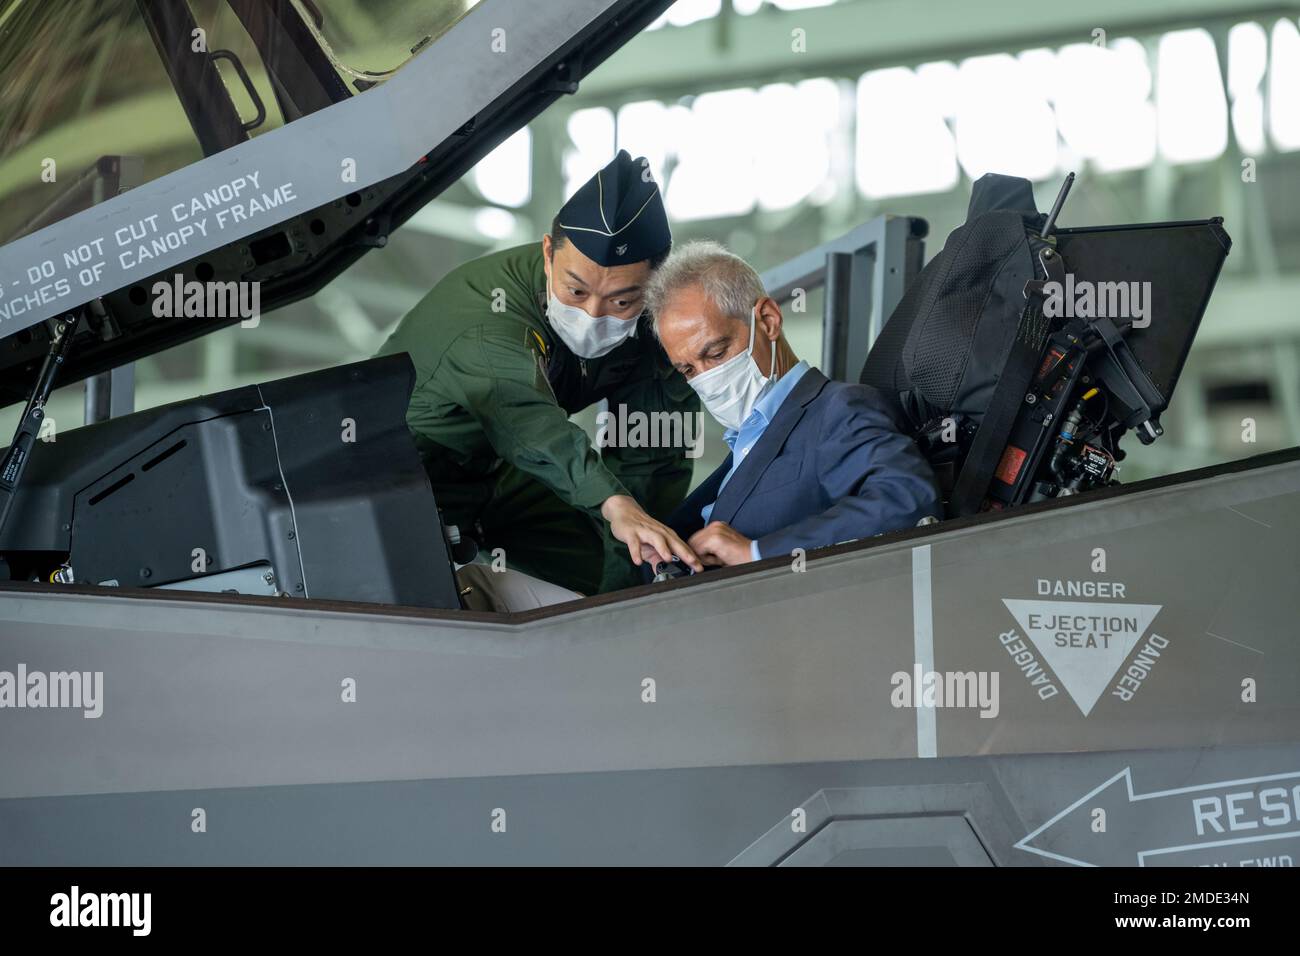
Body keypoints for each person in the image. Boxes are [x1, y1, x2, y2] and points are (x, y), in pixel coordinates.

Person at [377, 152, 703, 597]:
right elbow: (530, 425)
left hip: (508, 478)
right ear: (549, 252)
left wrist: (633, 585)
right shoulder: (487, 321)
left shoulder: (652, 324)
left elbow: (653, 455)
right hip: (407, 481)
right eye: (576, 290)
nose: (594, 312)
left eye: (622, 301)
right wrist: (613, 502)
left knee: (620, 548)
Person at [645, 241, 941, 567]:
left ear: (769, 321)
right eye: (688, 370)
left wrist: (756, 553)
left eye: (715, 353)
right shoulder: (743, 448)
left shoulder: (837, 410)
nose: (705, 379)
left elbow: (906, 500)